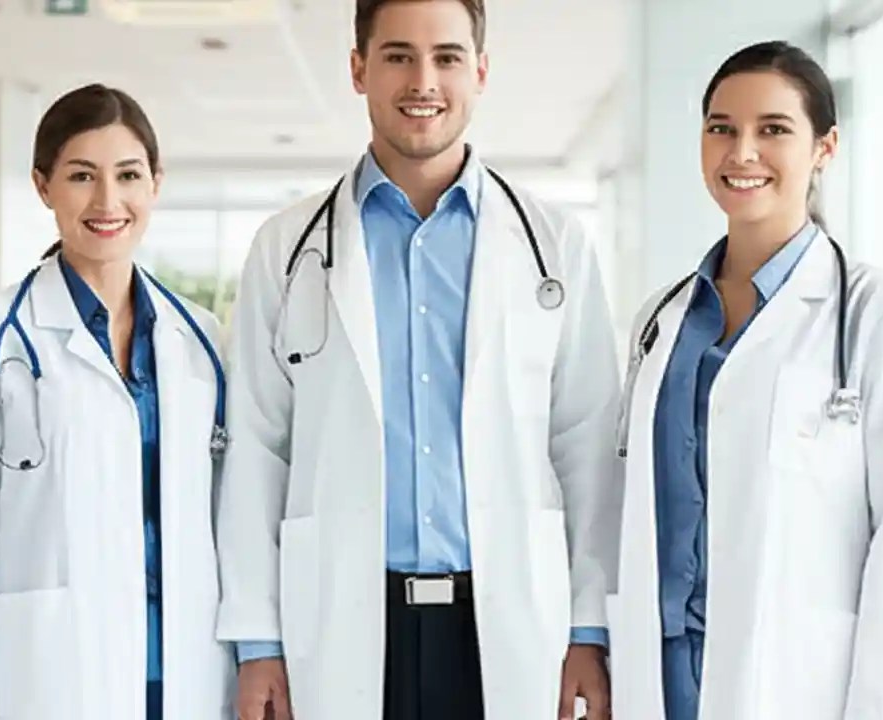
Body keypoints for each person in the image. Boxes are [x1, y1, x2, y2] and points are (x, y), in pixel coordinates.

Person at [215, 1, 621, 718]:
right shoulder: (285, 250)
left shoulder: (555, 245)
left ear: (481, 71)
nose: (423, 79)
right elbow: (257, 448)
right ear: (358, 69)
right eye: (398, 55)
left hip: (506, 623)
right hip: (344, 622)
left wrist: (588, 630)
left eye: (448, 57)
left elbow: (586, 444)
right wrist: (257, 642)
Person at [606, 41, 883, 720]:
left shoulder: (880, 314)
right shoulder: (661, 321)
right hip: (662, 673)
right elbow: (630, 507)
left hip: (796, 681)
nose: (742, 153)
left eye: (774, 130)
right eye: (721, 128)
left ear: (825, 147)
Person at [0, 83, 236, 720]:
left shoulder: (202, 341)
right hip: (54, 677)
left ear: (155, 184)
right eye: (81, 176)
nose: (107, 201)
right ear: (43, 186)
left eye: (128, 175)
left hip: (189, 674)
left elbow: (232, 520)